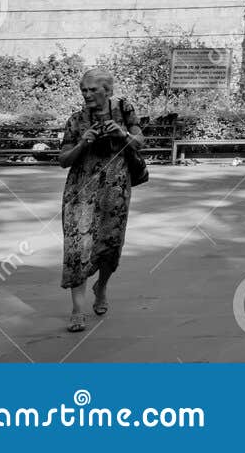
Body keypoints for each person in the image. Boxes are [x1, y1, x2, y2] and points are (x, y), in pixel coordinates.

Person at [56, 68, 144, 332]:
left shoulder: (125, 109)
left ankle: (101, 287)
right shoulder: (75, 120)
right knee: (77, 248)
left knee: (110, 245)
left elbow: (139, 142)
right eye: (84, 89)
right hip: (80, 191)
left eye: (93, 89)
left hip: (115, 189)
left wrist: (122, 134)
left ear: (108, 90)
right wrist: (82, 143)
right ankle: (77, 310)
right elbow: (63, 160)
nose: (87, 94)